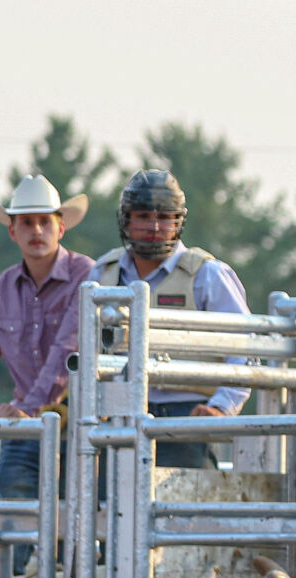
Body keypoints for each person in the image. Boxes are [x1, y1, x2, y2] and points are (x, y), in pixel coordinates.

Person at [0, 174, 95, 574]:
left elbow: (69, 351)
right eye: (27, 222)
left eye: (45, 222)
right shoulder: (3, 288)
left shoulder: (87, 276)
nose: (37, 231)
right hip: (28, 426)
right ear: (12, 231)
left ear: (60, 227)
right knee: (10, 531)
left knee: (80, 537)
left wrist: (30, 409)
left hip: (83, 427)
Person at [88, 169, 252, 469]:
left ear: (178, 221)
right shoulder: (103, 273)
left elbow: (246, 350)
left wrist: (221, 408)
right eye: (143, 216)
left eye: (165, 217)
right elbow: (83, 346)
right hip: (118, 411)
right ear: (126, 219)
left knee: (181, 497)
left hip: (187, 413)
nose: (154, 227)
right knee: (109, 497)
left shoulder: (206, 274)